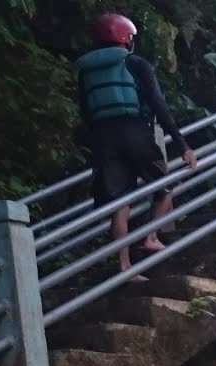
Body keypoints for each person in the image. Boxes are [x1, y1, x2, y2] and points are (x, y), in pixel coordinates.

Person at [75, 14, 196, 277]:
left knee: (120, 201)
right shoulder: (137, 64)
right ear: (126, 38)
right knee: (164, 186)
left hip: (104, 140)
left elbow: (85, 112)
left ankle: (124, 266)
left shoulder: (86, 73)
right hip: (136, 134)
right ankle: (150, 237)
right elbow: (158, 105)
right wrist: (182, 144)